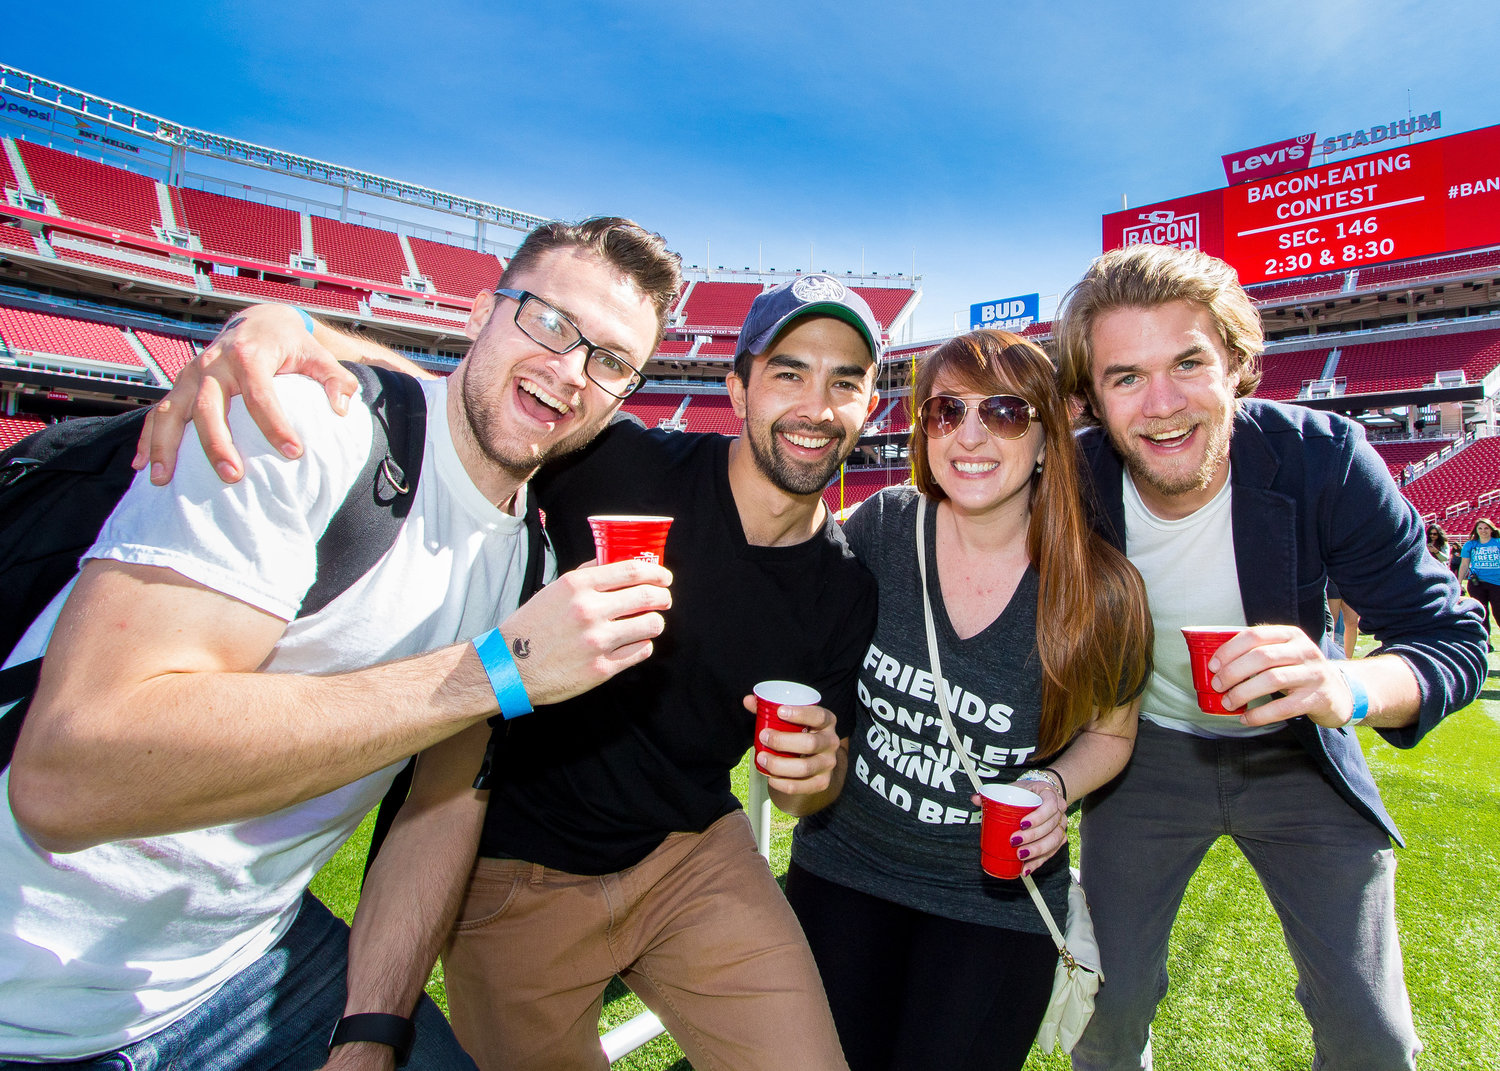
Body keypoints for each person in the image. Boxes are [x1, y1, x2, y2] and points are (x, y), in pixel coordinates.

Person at [138, 273, 888, 1071]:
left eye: (845, 381)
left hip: (690, 856)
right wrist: (301, 332)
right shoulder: (619, 462)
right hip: (512, 872)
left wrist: (815, 770)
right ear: (738, 387)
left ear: (870, 403)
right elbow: (464, 410)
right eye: (788, 372)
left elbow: (814, 787)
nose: (816, 406)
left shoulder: (844, 586)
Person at [0, 217, 681, 1069]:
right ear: (480, 312)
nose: (568, 370)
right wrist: (499, 669)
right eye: (548, 321)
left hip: (245, 967)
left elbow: (442, 801)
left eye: (610, 362)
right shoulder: (303, 428)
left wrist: (374, 1026)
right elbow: (66, 776)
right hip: (23, 997)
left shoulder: (527, 559)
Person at [1053, 243, 1486, 1071]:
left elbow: (1451, 637)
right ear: (1092, 400)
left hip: (1297, 753)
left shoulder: (1323, 456)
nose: (1164, 403)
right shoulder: (1071, 481)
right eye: (1125, 376)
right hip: (1142, 756)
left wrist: (1343, 685)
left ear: (1237, 366)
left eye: (1188, 361)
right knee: (1105, 1016)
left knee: (1374, 1036)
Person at [785, 330, 1152, 1071]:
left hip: (996, 904)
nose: (971, 434)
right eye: (946, 411)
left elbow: (1113, 735)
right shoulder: (883, 528)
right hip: (844, 869)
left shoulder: (1100, 589)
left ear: (1049, 438)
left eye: (1007, 413)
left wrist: (1054, 785)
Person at [1457, 518, 1500, 645]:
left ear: (1492, 529)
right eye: (1480, 528)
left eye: (1486, 528)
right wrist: (1459, 582)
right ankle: (1487, 642)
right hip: (1477, 583)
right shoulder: (1470, 545)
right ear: (1476, 530)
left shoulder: (1497, 543)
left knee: (1498, 612)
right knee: (1482, 612)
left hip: (1497, 583)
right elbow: (1464, 564)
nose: (1483, 531)